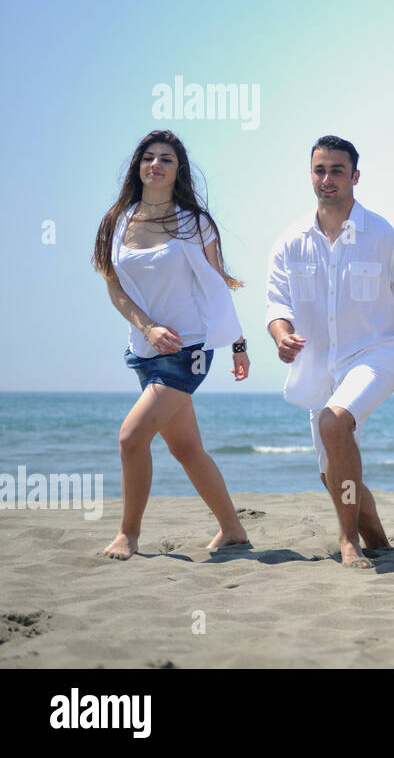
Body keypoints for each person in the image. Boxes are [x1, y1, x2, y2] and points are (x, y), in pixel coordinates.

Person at [265, 135, 394, 570]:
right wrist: (281, 335)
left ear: (355, 176)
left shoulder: (383, 234)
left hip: (377, 353)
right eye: (320, 170)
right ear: (311, 175)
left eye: (337, 170)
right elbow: (277, 307)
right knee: (331, 471)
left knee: (334, 423)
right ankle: (376, 535)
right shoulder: (290, 241)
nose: (327, 179)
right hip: (319, 368)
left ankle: (348, 541)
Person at [92, 130, 250, 559]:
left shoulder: (193, 222)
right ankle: (234, 529)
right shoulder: (116, 221)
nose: (156, 164)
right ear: (138, 166)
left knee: (130, 438)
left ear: (178, 170)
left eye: (166, 159)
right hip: (146, 350)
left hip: (189, 349)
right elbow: (116, 290)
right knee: (185, 448)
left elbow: (217, 285)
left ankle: (128, 534)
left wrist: (238, 343)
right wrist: (148, 329)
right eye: (148, 157)